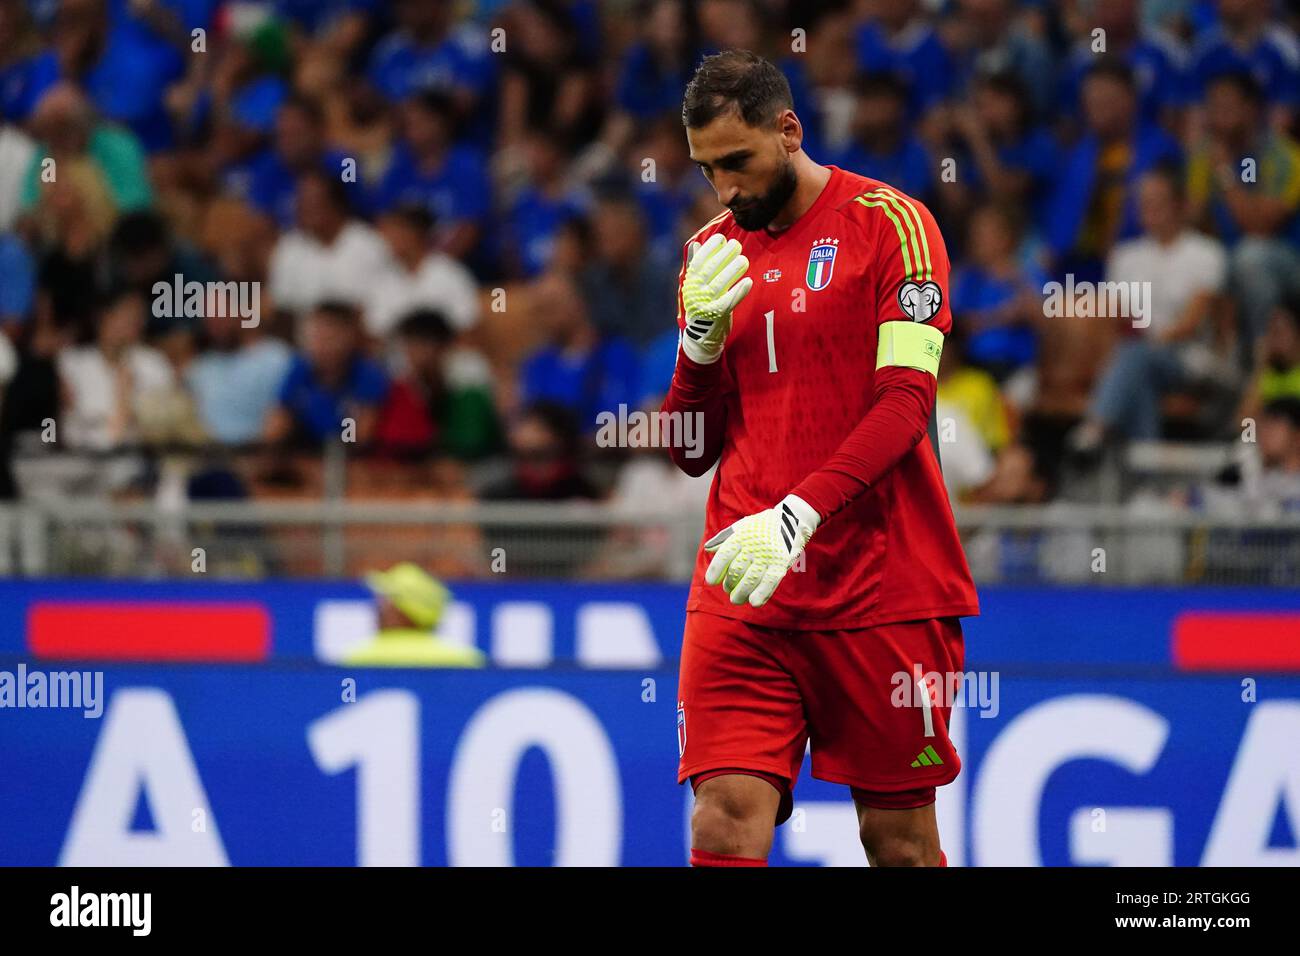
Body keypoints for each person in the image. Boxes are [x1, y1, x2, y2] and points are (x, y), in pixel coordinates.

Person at [663, 50, 978, 868]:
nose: (726, 190)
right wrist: (697, 348)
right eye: (707, 171)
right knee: (722, 821)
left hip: (882, 586)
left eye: (738, 162)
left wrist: (797, 516)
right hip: (745, 585)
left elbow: (906, 406)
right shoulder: (710, 258)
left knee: (899, 842)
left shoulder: (893, 225)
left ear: (789, 130)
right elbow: (691, 455)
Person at [345, 562, 486, 667]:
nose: (378, 607)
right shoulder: (469, 661)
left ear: (402, 609)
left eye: (387, 599)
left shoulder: (358, 660)